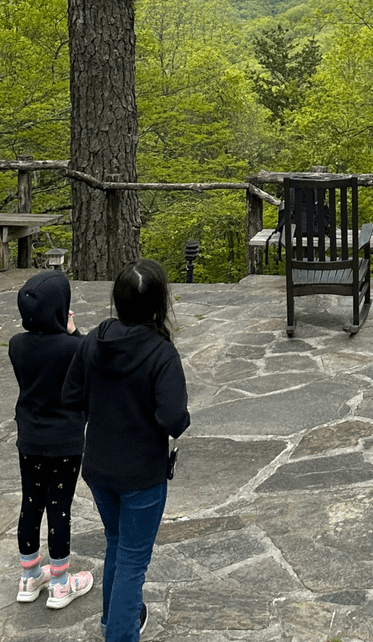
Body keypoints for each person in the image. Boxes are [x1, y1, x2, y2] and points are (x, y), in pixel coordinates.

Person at [63, 260, 190, 641]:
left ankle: (112, 619)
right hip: (142, 476)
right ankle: (120, 631)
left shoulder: (94, 340)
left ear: (116, 302)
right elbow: (173, 419)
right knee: (133, 559)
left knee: (117, 544)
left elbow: (72, 397)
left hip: (99, 467)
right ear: (158, 305)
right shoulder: (161, 354)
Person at [9, 271, 93, 608]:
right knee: (59, 508)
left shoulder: (17, 345)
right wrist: (74, 331)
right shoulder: (73, 348)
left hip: (30, 440)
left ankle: (29, 577)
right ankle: (60, 582)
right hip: (66, 443)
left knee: (31, 504)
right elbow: (91, 360)